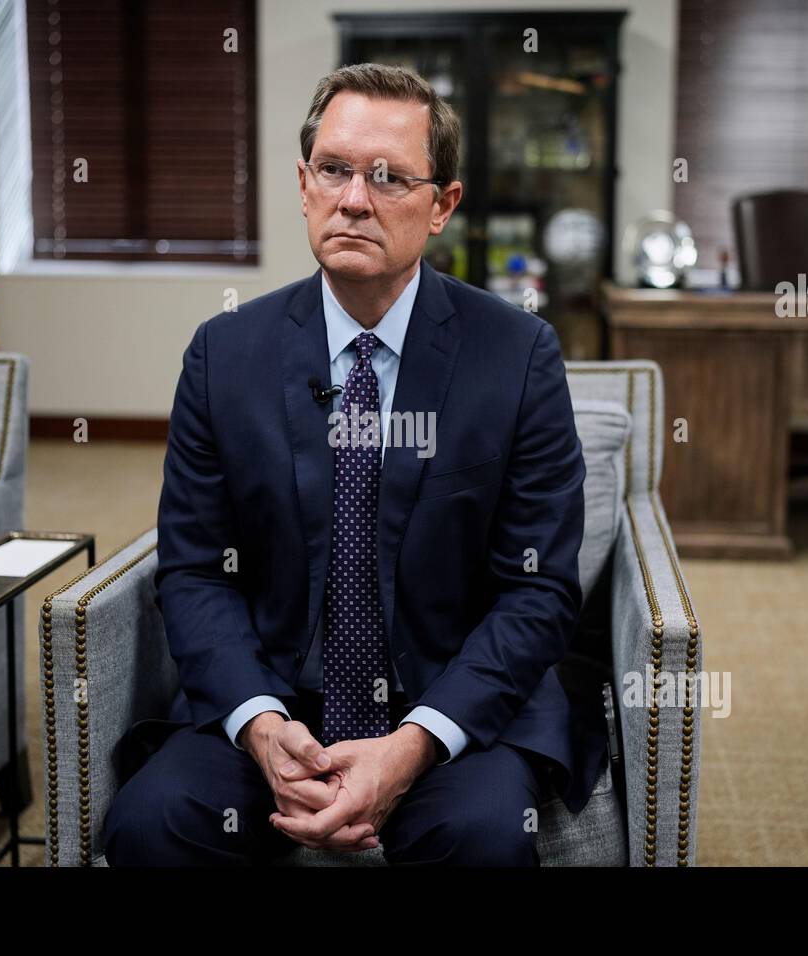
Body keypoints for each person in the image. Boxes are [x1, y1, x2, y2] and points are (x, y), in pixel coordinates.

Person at [104, 63, 600, 866]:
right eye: (334, 170)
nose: (355, 199)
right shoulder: (223, 356)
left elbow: (539, 589)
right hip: (275, 701)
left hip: (443, 705)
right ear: (304, 185)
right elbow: (195, 573)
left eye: (390, 177)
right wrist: (262, 727)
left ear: (443, 206)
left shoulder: (518, 357)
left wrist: (412, 746)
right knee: (150, 824)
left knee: (483, 840)